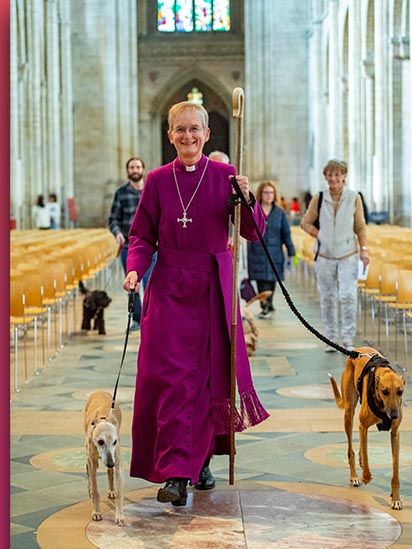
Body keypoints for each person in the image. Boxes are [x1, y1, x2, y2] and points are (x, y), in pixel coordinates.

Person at [122, 101, 269, 505]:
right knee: (169, 379)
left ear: (207, 135)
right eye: (180, 129)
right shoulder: (155, 181)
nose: (187, 136)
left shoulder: (225, 176)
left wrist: (248, 199)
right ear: (169, 135)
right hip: (168, 287)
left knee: (206, 381)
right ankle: (175, 472)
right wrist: (135, 269)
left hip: (211, 288)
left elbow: (253, 233)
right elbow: (141, 236)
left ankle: (198, 461)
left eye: (195, 130)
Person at [300, 159, 370, 351]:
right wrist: (318, 234)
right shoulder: (319, 197)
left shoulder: (354, 197)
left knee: (348, 295)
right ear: (325, 176)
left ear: (344, 176)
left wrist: (364, 250)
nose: (333, 178)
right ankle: (331, 337)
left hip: (348, 254)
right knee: (328, 297)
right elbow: (305, 223)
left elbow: (360, 227)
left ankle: (348, 337)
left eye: (337, 174)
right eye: (330, 174)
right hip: (324, 255)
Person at [108, 157, 156, 329]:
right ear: (127, 171)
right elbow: (113, 219)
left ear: (143, 169)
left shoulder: (151, 190)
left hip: (152, 246)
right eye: (131, 167)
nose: (135, 170)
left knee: (151, 283)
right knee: (132, 283)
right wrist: (118, 234)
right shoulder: (121, 193)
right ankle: (137, 318)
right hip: (129, 246)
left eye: (137, 167)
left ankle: (151, 318)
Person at [247, 180, 295, 319]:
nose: (268, 195)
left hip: (275, 253)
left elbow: (286, 233)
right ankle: (265, 307)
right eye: (266, 192)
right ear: (261, 194)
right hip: (257, 251)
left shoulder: (279, 213)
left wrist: (291, 250)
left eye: (271, 193)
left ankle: (269, 302)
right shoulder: (254, 210)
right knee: (261, 280)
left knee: (272, 280)